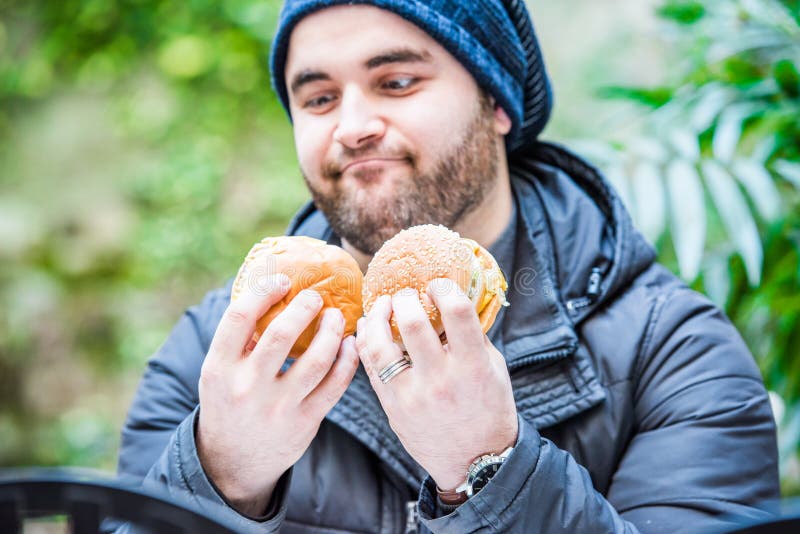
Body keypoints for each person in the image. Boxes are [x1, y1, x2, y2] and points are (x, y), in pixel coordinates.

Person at [114, 1, 780, 532]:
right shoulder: (211, 359)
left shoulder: (678, 354)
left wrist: (491, 471)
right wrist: (221, 480)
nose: (352, 125)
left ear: (498, 102)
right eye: (317, 99)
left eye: (397, 82)